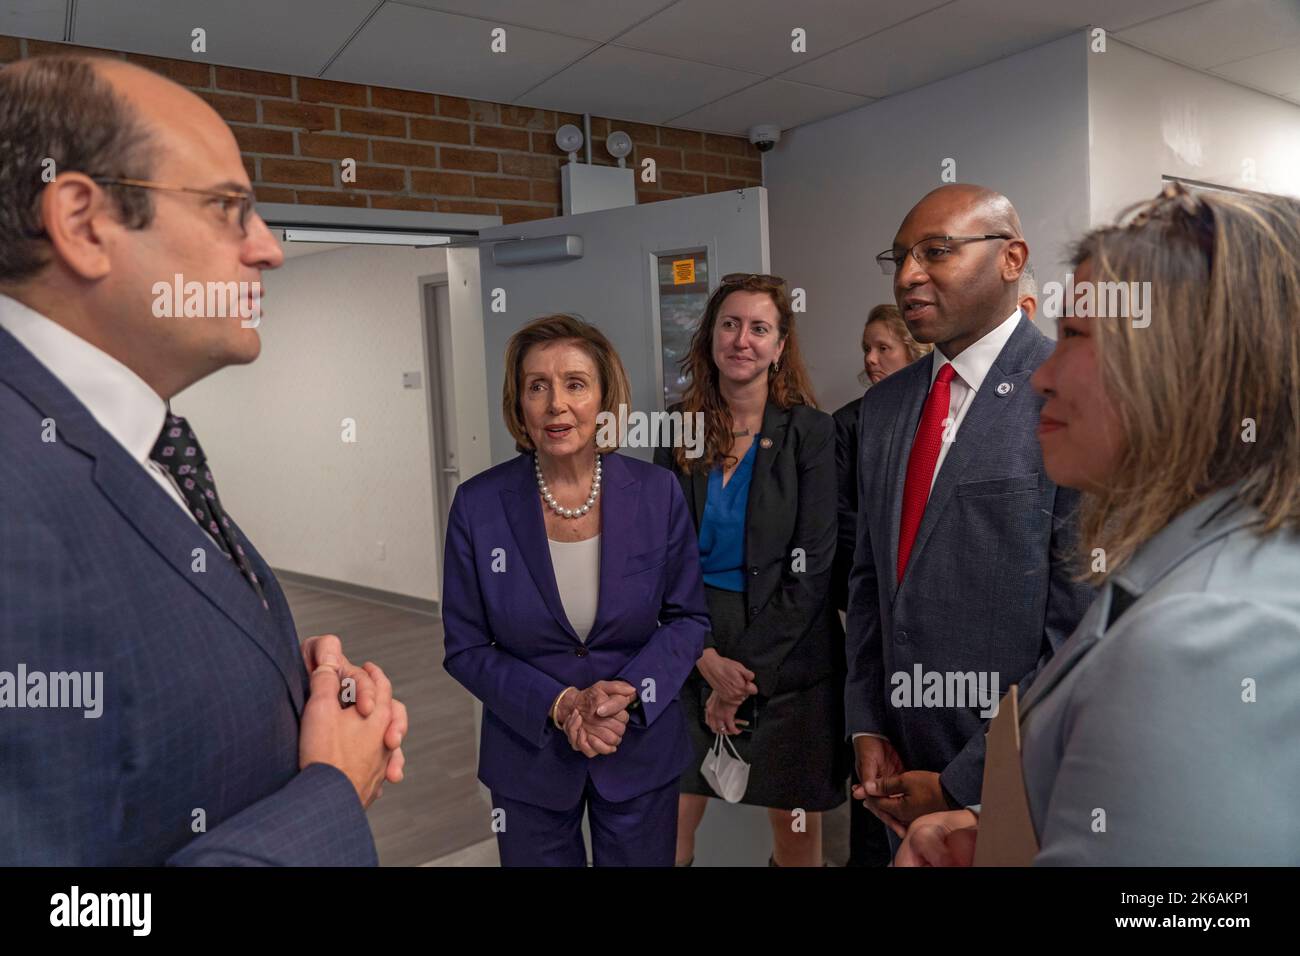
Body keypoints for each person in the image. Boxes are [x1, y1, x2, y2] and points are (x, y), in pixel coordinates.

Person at [0, 55, 405, 865]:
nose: (269, 251)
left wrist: (277, 687)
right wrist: (331, 792)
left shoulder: (131, 439)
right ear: (82, 222)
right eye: (229, 208)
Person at [896, 183, 1300, 866]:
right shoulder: (1209, 562)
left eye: (1076, 337)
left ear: (1183, 364)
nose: (1042, 378)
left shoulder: (1207, 640)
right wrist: (998, 834)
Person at [845, 184, 1093, 845]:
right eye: (898, 257)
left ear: (1012, 259)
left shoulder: (1068, 393)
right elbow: (870, 578)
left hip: (1014, 788)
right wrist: (868, 724)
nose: (907, 276)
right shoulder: (885, 407)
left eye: (935, 252)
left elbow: (1078, 630)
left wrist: (966, 780)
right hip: (894, 775)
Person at [441, 314, 709, 866]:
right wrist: (560, 704)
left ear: (605, 398)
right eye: (537, 386)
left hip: (636, 746)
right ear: (519, 406)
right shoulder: (478, 505)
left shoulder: (657, 493)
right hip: (528, 757)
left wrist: (630, 693)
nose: (556, 404)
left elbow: (687, 619)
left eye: (575, 384)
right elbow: (465, 647)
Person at [656, 273, 846, 867]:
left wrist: (741, 678)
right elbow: (660, 560)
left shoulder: (811, 433)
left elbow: (812, 568)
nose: (742, 339)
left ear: (780, 345)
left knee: (796, 843)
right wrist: (704, 659)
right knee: (667, 826)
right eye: (730, 324)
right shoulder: (676, 430)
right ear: (711, 334)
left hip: (788, 659)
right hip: (693, 646)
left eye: (759, 328)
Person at [830, 304, 930, 866]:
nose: (869, 359)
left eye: (882, 348)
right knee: (875, 790)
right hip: (871, 618)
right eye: (865, 348)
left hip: (943, 660)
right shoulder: (850, 423)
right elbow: (846, 529)